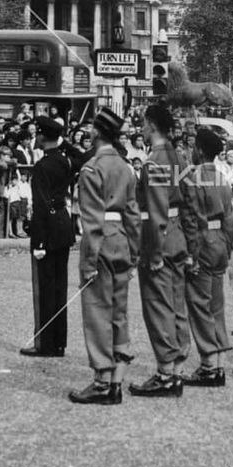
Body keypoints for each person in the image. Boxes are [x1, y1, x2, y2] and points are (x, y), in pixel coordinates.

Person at [69, 106, 141, 406]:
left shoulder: (91, 168)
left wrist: (88, 262)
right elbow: (133, 214)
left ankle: (102, 381)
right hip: (122, 241)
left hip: (101, 243)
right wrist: (134, 252)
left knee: (98, 312)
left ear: (97, 132)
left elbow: (92, 222)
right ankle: (116, 381)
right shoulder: (126, 167)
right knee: (119, 312)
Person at [130, 103, 191, 397]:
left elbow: (156, 209)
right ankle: (177, 368)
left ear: (152, 125)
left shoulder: (154, 161)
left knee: (158, 305)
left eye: (144, 124)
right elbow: (189, 199)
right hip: (178, 236)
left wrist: (152, 253)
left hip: (160, 239)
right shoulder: (179, 157)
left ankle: (165, 373)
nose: (142, 129)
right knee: (177, 303)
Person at [180, 125, 233, 386]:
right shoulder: (223, 178)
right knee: (217, 305)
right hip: (220, 241)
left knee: (199, 305)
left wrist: (191, 254)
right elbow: (230, 219)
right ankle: (219, 362)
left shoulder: (192, 178)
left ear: (199, 151)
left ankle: (208, 364)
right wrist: (227, 246)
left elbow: (192, 221)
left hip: (202, 243)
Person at [21, 116, 75, 359]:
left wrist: (39, 241)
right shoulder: (65, 161)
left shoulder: (42, 166)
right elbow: (82, 157)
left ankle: (45, 343)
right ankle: (59, 342)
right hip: (63, 223)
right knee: (60, 288)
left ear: (42, 136)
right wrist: (65, 143)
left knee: (45, 289)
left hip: (47, 229)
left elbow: (41, 205)